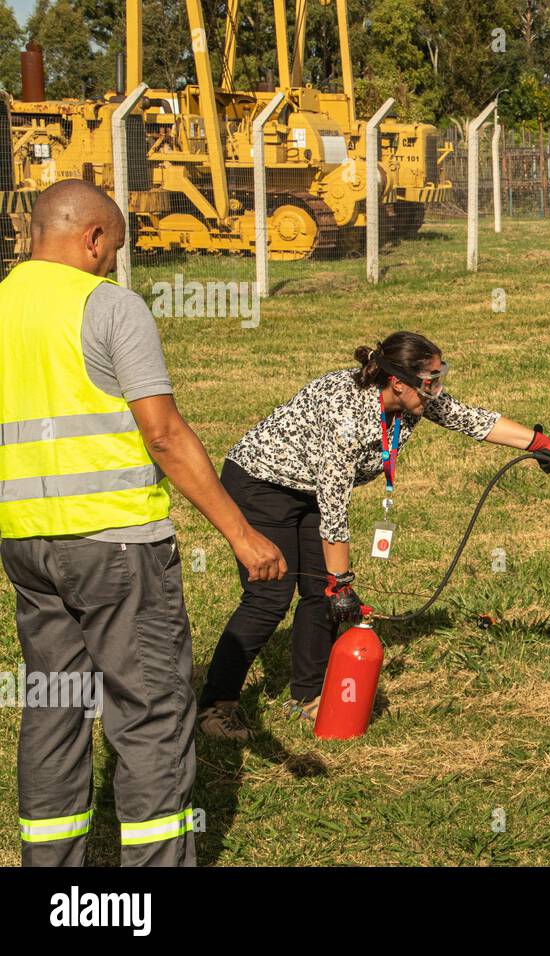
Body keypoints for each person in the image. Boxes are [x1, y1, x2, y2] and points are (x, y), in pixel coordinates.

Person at [0, 179, 286, 866]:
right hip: (119, 546)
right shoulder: (109, 307)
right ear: (94, 239)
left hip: (27, 544)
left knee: (54, 707)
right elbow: (163, 435)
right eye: (113, 252)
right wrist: (242, 535)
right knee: (151, 714)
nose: (112, 265)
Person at [196, 331, 550, 738]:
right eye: (430, 380)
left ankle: (306, 697)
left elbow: (472, 420)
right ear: (398, 381)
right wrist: (341, 583)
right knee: (269, 597)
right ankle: (216, 707)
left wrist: (541, 444)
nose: (437, 389)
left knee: (317, 595)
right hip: (261, 485)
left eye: (440, 376)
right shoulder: (346, 414)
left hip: (307, 487)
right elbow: (334, 509)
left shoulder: (412, 402)